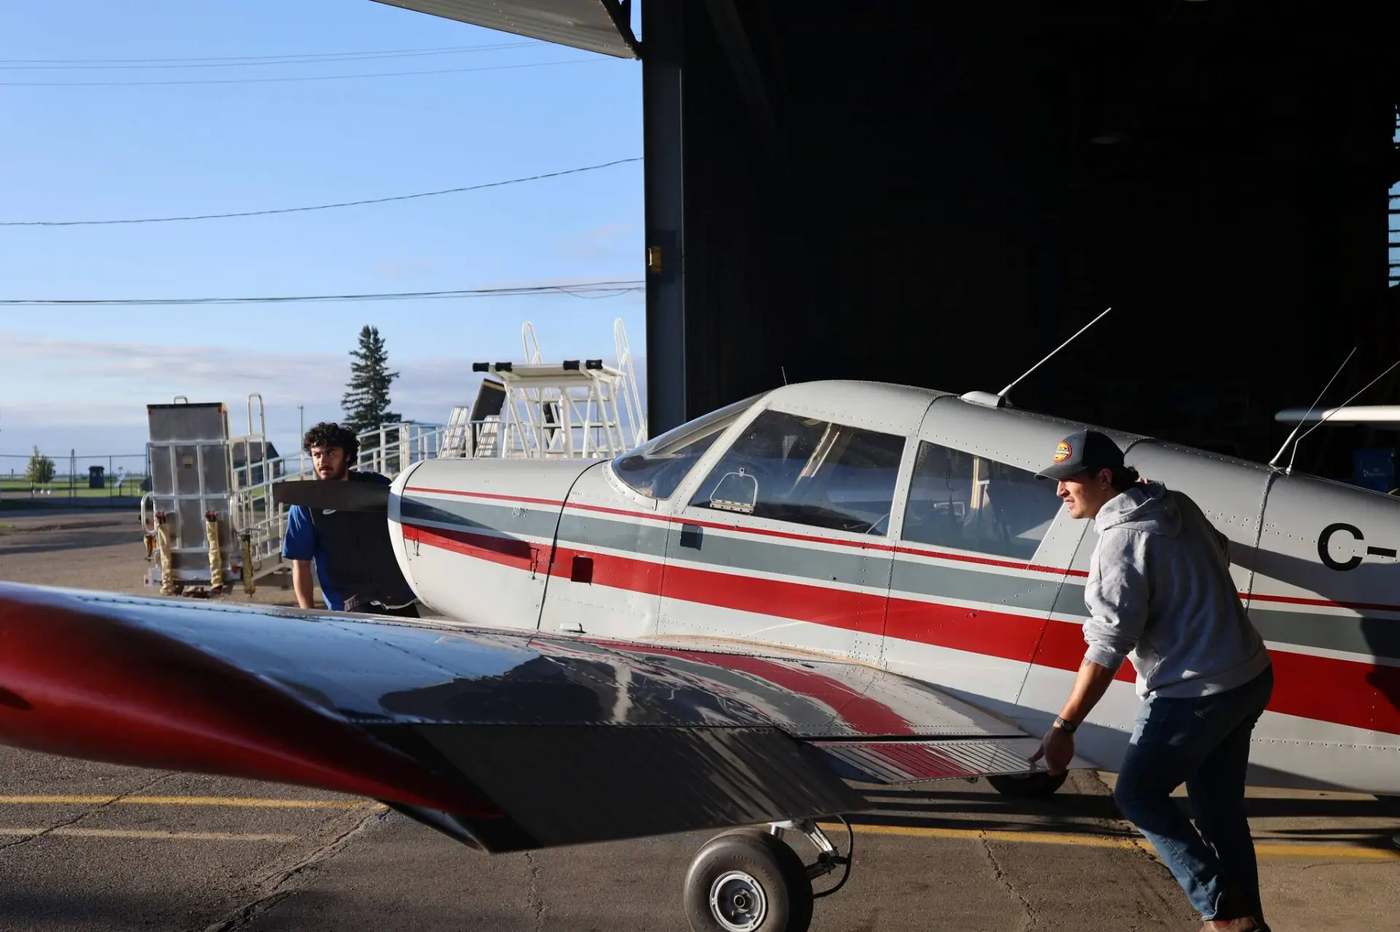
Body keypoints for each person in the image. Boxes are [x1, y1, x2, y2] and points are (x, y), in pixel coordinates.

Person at [1028, 429, 1274, 932]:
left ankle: (1225, 912)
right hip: (1248, 676)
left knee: (1137, 792)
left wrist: (1064, 726)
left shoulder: (1120, 542)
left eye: (1068, 480)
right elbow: (1220, 551)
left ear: (1102, 478)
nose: (1059, 491)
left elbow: (1106, 646)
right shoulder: (1176, 504)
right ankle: (1248, 922)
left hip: (1197, 694)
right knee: (1218, 811)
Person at [281, 421, 419, 617]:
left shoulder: (375, 485)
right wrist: (308, 614)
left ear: (347, 455)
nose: (322, 461)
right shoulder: (306, 503)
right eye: (317, 455)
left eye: (330, 453)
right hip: (350, 603)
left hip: (398, 597)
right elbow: (301, 563)